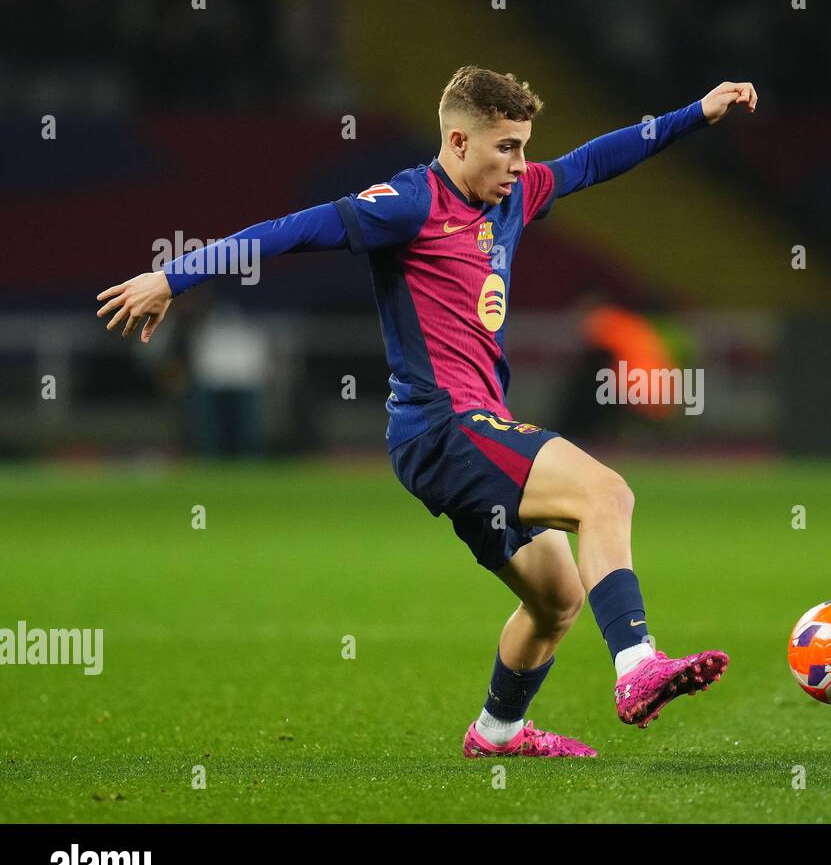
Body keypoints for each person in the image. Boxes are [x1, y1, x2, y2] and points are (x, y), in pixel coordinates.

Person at [96, 66, 759, 755]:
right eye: (506, 147)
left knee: (557, 597)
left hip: (462, 434)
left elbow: (594, 160)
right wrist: (172, 276)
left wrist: (696, 113)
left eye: (525, 146)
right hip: (445, 427)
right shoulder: (409, 202)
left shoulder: (516, 196)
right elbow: (290, 231)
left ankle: (497, 731)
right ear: (458, 141)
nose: (521, 165)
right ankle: (636, 665)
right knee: (607, 493)